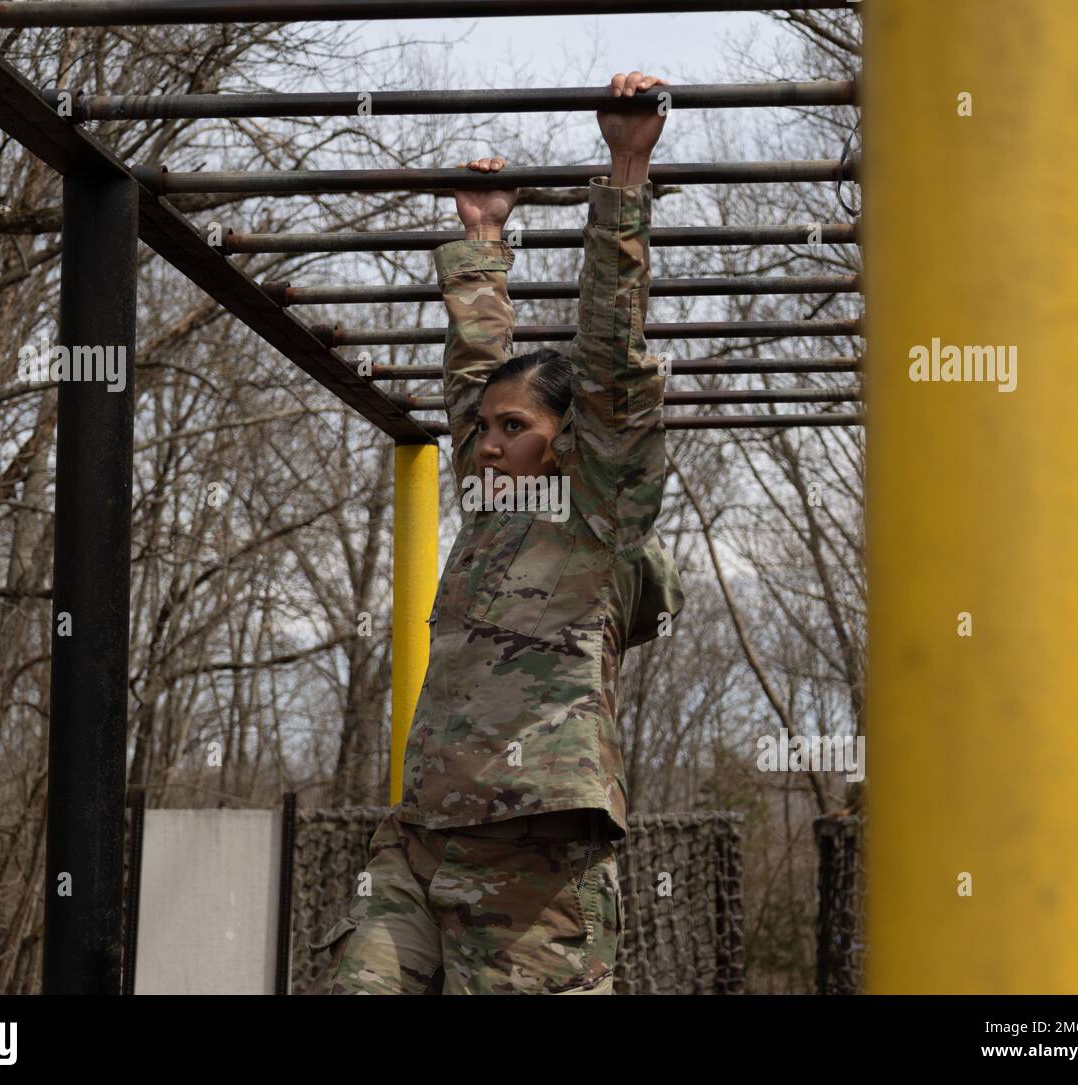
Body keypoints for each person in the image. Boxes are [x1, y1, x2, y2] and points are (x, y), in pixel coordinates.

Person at [306, 70, 685, 995]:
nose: (488, 442)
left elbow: (612, 360)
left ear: (571, 444)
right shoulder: (492, 508)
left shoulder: (597, 515)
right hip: (421, 843)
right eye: (485, 430)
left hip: (534, 861)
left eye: (517, 429)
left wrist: (625, 170)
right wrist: (482, 240)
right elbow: (478, 375)